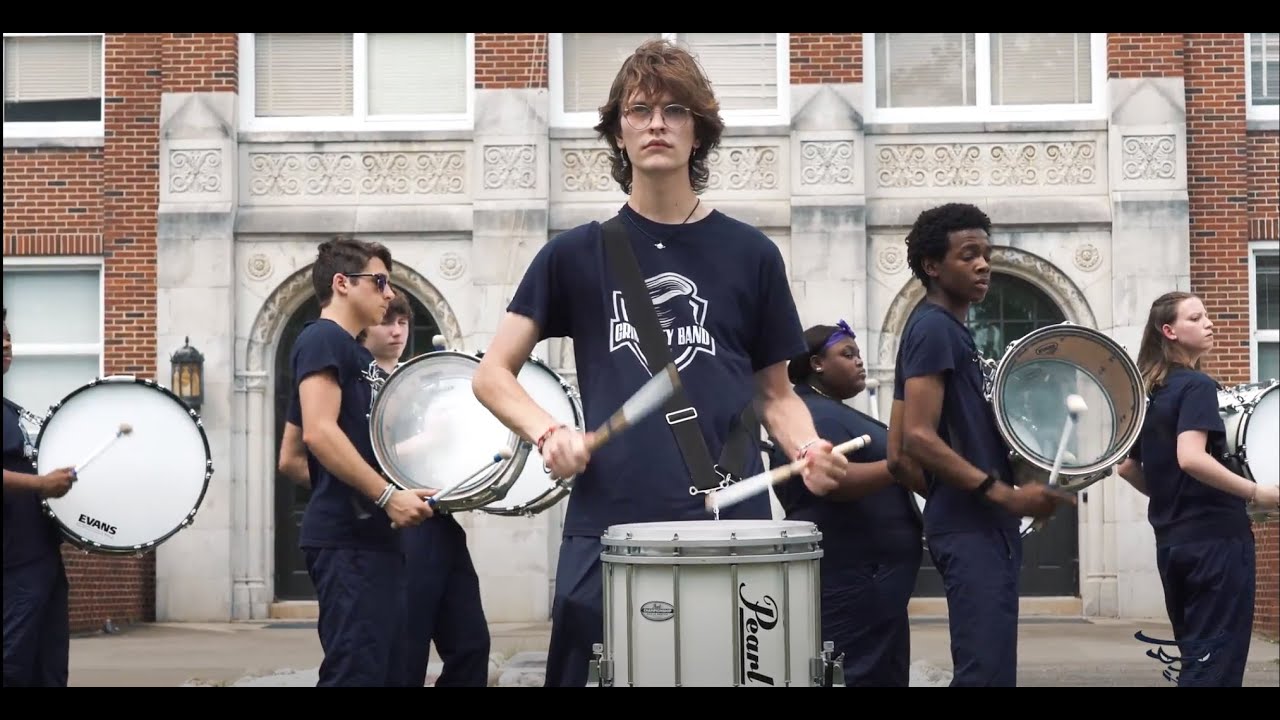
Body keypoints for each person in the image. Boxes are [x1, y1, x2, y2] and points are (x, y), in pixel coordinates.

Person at [471, 38, 848, 688]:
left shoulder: (752, 254)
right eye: (640, 110)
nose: (657, 124)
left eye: (675, 111)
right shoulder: (575, 255)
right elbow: (491, 374)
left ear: (698, 132)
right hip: (611, 520)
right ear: (618, 132)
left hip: (731, 521)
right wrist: (550, 432)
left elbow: (776, 394)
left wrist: (808, 447)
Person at [892, 202, 1072, 687]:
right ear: (933, 266)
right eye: (968, 254)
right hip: (974, 528)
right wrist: (997, 493)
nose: (983, 265)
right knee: (985, 675)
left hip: (974, 525)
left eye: (986, 254)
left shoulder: (942, 331)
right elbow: (916, 438)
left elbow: (897, 454)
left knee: (988, 672)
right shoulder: (934, 329)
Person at [292, 237, 436, 687]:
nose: (389, 294)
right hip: (346, 541)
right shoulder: (322, 338)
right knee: (355, 674)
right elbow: (318, 432)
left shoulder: (356, 353)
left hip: (376, 540)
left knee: (389, 673)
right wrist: (388, 496)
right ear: (342, 283)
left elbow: (367, 444)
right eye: (379, 282)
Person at [1116, 291, 1280, 687]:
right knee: (1215, 670)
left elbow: (1127, 467)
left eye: (1206, 315)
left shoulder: (1150, 392)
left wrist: (1173, 497)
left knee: (1197, 660)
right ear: (1169, 331)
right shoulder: (1198, 387)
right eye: (1195, 318)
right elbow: (1190, 457)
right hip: (1217, 544)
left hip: (1173, 545)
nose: (1208, 323)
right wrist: (1256, 493)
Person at [768, 321, 924, 687]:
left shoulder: (830, 410)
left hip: (874, 581)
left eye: (858, 354)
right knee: (854, 674)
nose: (859, 362)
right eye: (847, 354)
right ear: (817, 363)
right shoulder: (814, 416)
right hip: (854, 580)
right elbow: (832, 482)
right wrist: (896, 467)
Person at [3, 307, 76, 687]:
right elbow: (36, 482)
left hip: (39, 557)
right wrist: (41, 485)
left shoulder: (10, 409)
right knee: (12, 667)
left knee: (48, 669)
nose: (5, 344)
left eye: (7, 337)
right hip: (13, 566)